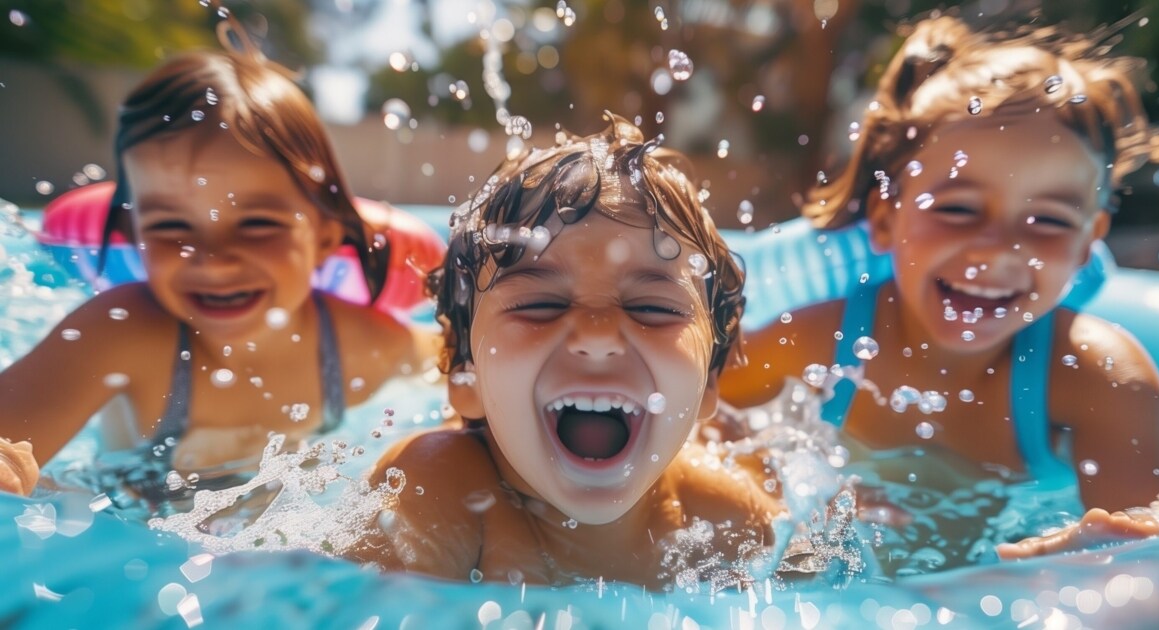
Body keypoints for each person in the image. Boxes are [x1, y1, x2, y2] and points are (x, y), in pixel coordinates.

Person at [720, 15, 1159, 558]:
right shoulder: (818, 342)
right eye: (958, 208)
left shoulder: (1098, 379)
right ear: (885, 218)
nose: (997, 249)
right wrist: (767, 503)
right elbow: (697, 425)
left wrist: (1092, 555)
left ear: (1090, 241)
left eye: (1049, 221)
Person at [355, 114, 787, 588]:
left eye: (651, 307)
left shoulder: (727, 521)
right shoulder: (435, 487)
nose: (597, 337)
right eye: (540, 304)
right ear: (464, 373)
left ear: (708, 383)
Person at [0, 38, 439, 499]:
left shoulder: (358, 345)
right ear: (135, 235)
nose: (214, 258)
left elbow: (458, 372)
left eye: (256, 223)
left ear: (325, 237)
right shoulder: (122, 333)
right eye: (171, 225)